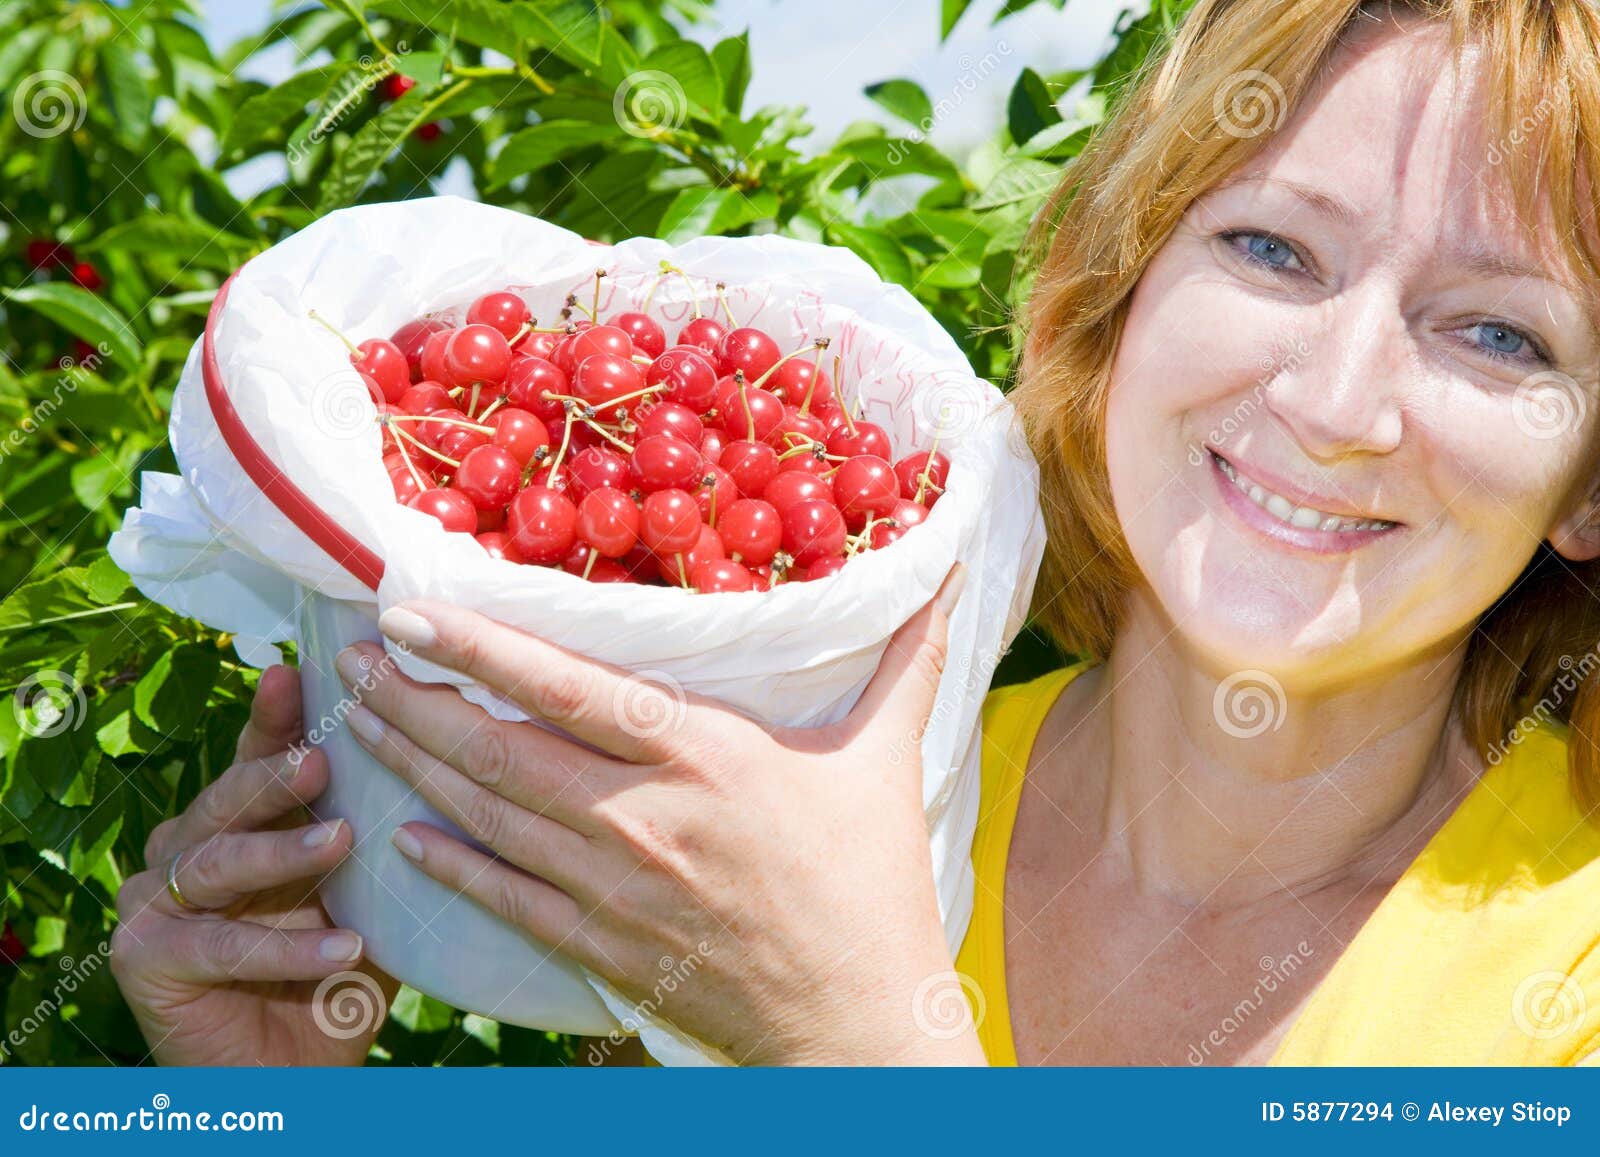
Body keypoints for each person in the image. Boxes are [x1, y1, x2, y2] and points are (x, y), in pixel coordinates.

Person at [111, 0, 1600, 1066]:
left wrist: (859, 1042)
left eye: (1500, 336)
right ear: (1124, 288)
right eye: (1271, 248)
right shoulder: (825, 775)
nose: (1340, 402)